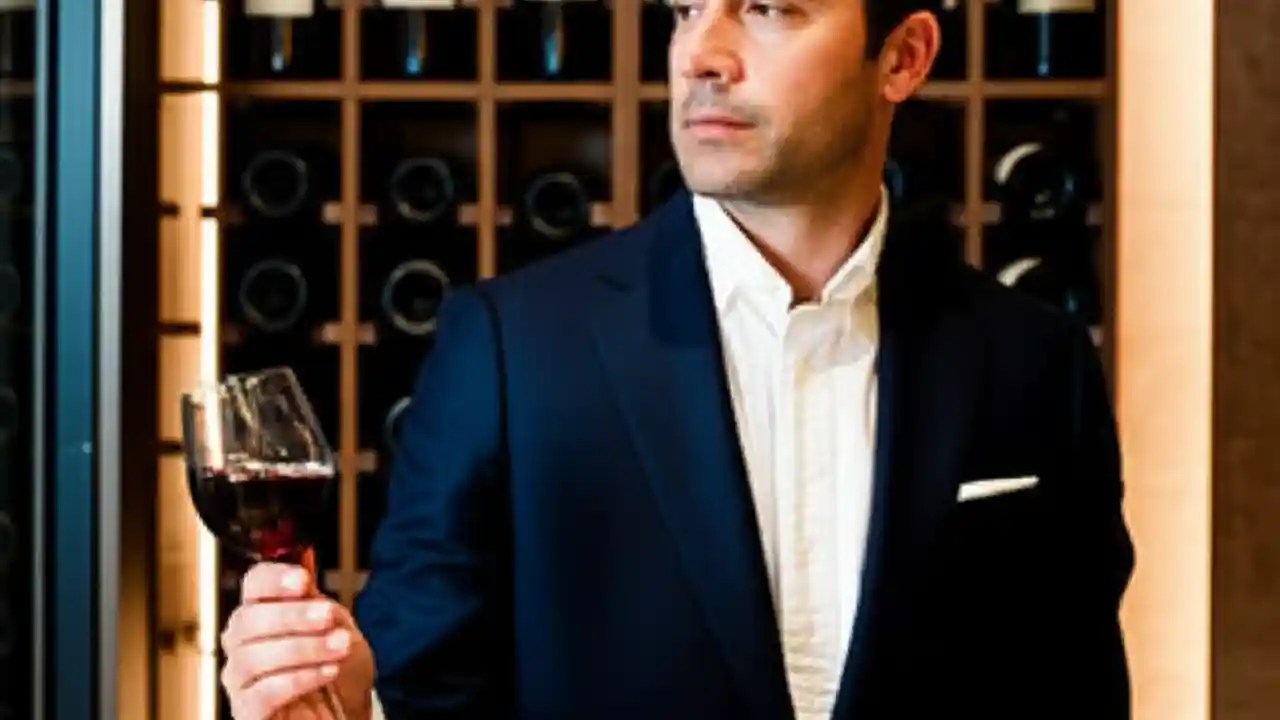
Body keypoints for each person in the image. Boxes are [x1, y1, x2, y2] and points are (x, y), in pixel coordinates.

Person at [217, 1, 1136, 718]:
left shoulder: (1034, 363)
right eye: (685, 10)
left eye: (769, 10)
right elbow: (419, 691)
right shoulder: (510, 348)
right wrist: (344, 708)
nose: (702, 54)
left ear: (903, 56)